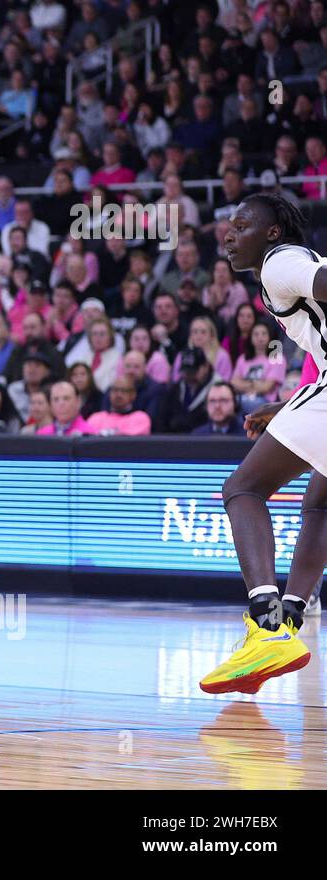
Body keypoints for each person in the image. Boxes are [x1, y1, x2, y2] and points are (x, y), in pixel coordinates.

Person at [200, 194, 320, 695]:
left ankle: (266, 624)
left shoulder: (280, 262)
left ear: (272, 233)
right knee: (320, 505)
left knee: (243, 488)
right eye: (228, 225)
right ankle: (288, 621)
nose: (229, 234)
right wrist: (291, 405)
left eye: (242, 224)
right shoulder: (292, 267)